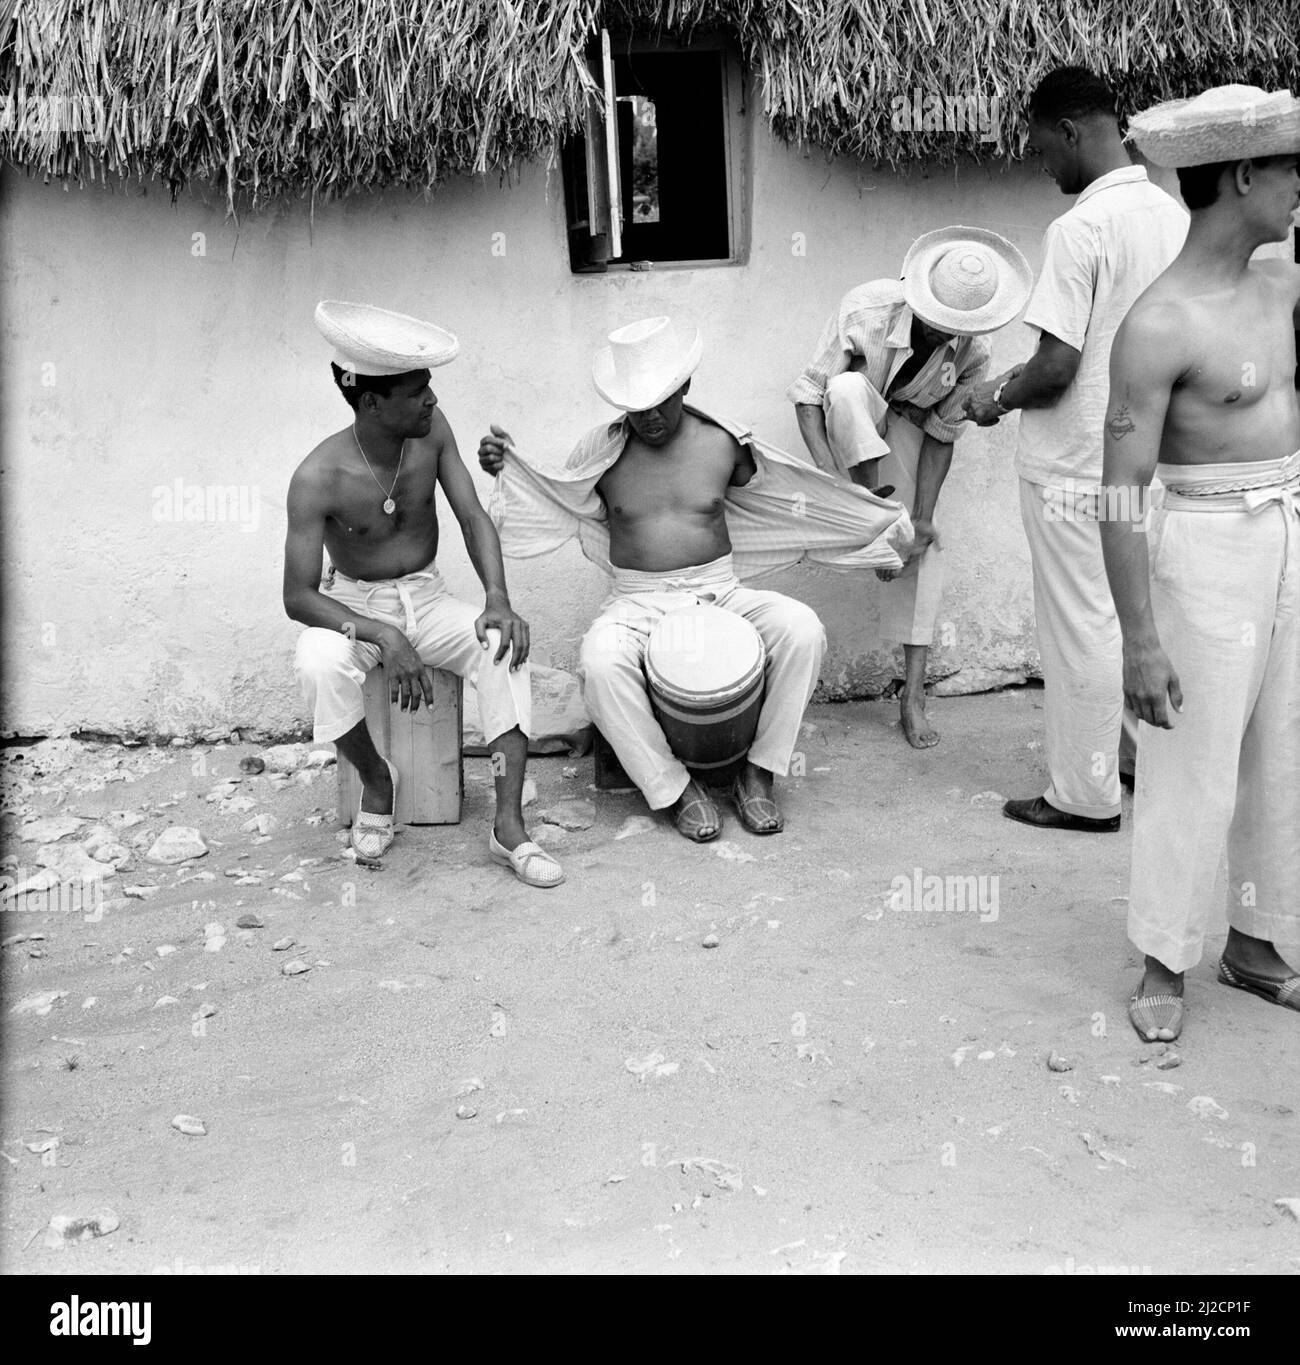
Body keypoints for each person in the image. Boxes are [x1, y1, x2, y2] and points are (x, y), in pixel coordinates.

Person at [479, 316, 915, 841]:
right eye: (636, 408)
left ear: (685, 385)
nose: (650, 418)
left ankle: (759, 774)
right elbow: (554, 497)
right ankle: (675, 790)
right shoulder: (599, 452)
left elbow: (787, 502)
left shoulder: (724, 443)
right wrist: (508, 465)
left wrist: (860, 518)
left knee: (802, 629)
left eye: (661, 401)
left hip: (721, 590)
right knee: (598, 663)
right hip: (636, 600)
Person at [1101, 85, 1300, 1041]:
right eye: (1290, 167)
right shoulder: (1159, 323)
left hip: (1288, 530)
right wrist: (1138, 640)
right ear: (1246, 174)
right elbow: (1116, 492)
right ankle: (1162, 956)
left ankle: (1256, 941)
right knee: (1191, 759)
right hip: (1204, 544)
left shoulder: (1280, 285)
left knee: (1284, 749)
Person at [964, 67, 1188, 831]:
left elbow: (1057, 368)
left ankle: (1084, 796)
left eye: (1039, 148)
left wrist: (994, 396)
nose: (1042, 166)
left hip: (1072, 467)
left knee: (1080, 626)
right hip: (1147, 460)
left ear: (1068, 130)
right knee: (1132, 616)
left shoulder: (1079, 230)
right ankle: (1131, 762)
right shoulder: (1170, 212)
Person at [284, 300, 563, 888]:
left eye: (429, 388)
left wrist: (497, 598)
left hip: (429, 599)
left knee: (501, 646)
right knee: (317, 662)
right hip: (356, 607)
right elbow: (298, 597)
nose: (431, 401)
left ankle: (508, 825)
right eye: (417, 392)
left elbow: (471, 515)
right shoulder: (318, 476)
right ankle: (377, 781)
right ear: (371, 402)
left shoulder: (432, 433)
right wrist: (382, 635)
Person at [790, 227, 1031, 747]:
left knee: (924, 549)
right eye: (938, 324)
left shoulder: (974, 351)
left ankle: (913, 694)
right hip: (857, 428)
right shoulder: (865, 309)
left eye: (957, 328)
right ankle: (866, 515)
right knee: (847, 387)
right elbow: (808, 394)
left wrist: (921, 518)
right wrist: (833, 484)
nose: (946, 336)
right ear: (918, 298)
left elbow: (942, 434)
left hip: (908, 424)